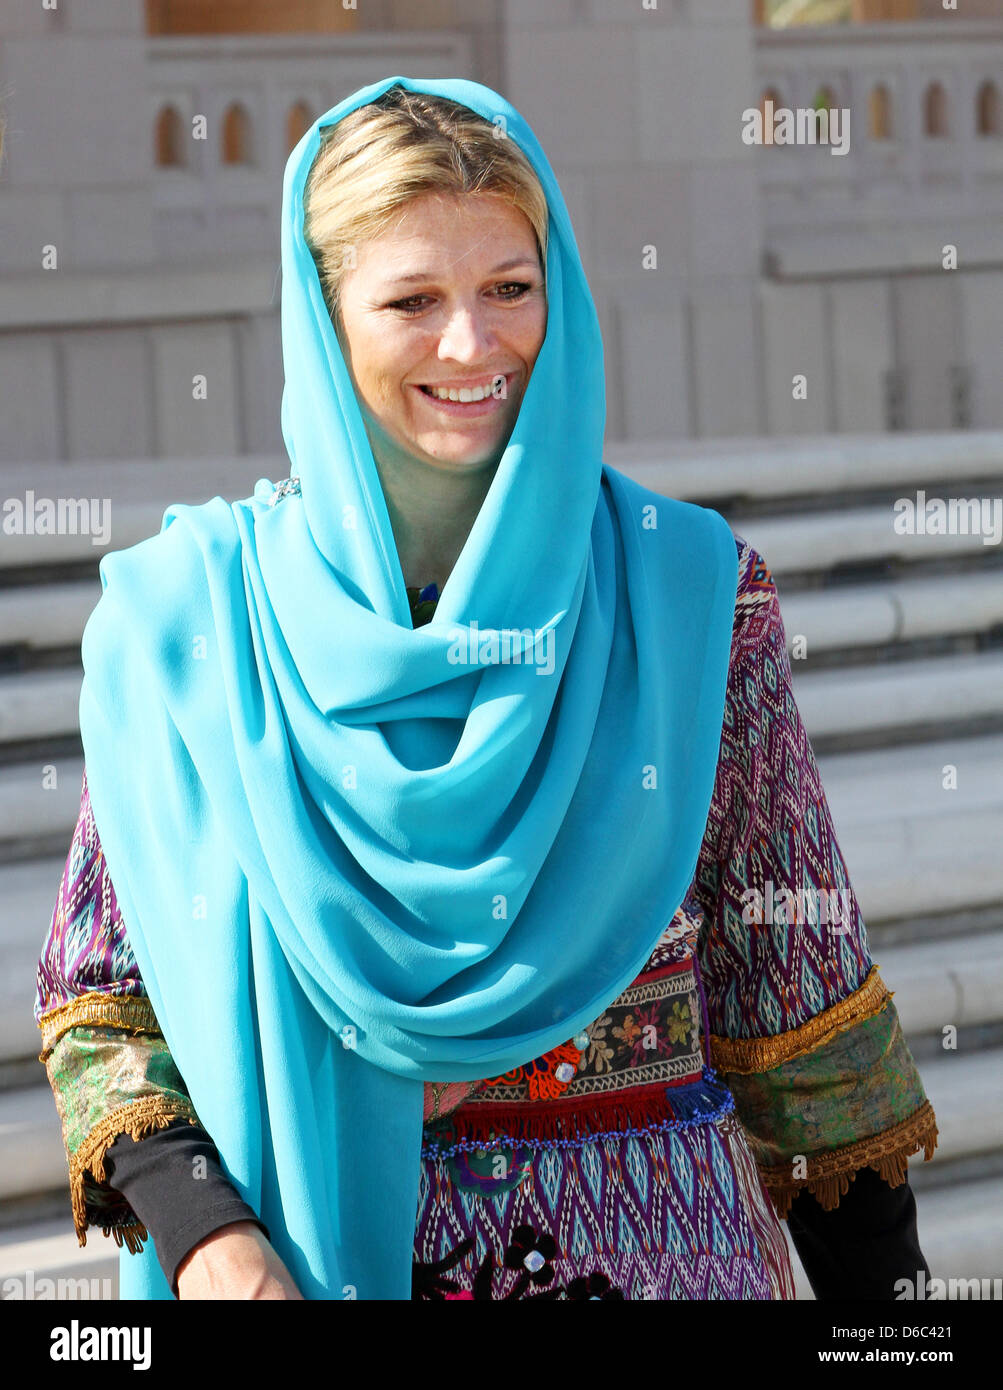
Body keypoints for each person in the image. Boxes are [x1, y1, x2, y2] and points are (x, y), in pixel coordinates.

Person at [35, 76, 936, 1302]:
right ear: (324, 319)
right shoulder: (195, 624)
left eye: (510, 288)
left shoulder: (688, 594)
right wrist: (213, 1245)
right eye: (412, 299)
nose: (471, 344)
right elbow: (104, 1007)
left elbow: (800, 993)